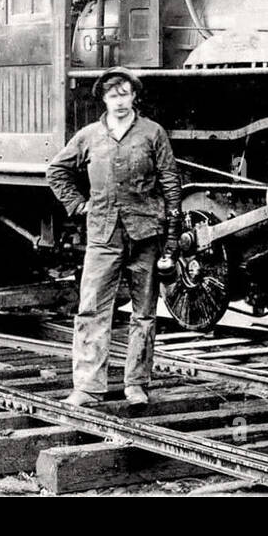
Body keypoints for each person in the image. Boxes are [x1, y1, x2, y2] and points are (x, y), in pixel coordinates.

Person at [47, 67, 181, 407]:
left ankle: (136, 383)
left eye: (124, 93)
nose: (119, 101)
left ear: (134, 95)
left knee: (144, 313)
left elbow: (169, 182)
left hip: (146, 233)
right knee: (91, 308)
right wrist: (78, 206)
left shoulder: (153, 133)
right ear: (103, 99)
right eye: (112, 95)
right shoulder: (90, 135)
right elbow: (57, 171)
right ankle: (88, 387)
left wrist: (172, 231)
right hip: (103, 235)